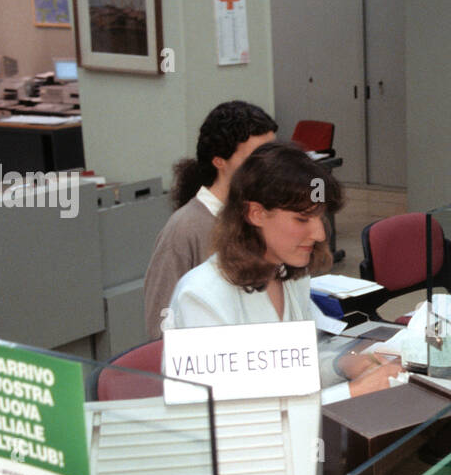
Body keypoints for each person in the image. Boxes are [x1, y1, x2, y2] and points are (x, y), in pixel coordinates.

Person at [168, 141, 400, 402]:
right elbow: (235, 414)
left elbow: (294, 368)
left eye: (320, 217)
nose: (320, 233)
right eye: (302, 219)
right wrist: (351, 391)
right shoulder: (200, 297)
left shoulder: (289, 274)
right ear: (255, 213)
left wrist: (343, 364)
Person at [144, 101, 277, 339]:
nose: (270, 168)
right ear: (219, 161)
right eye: (255, 159)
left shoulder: (262, 216)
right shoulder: (184, 230)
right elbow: (161, 328)